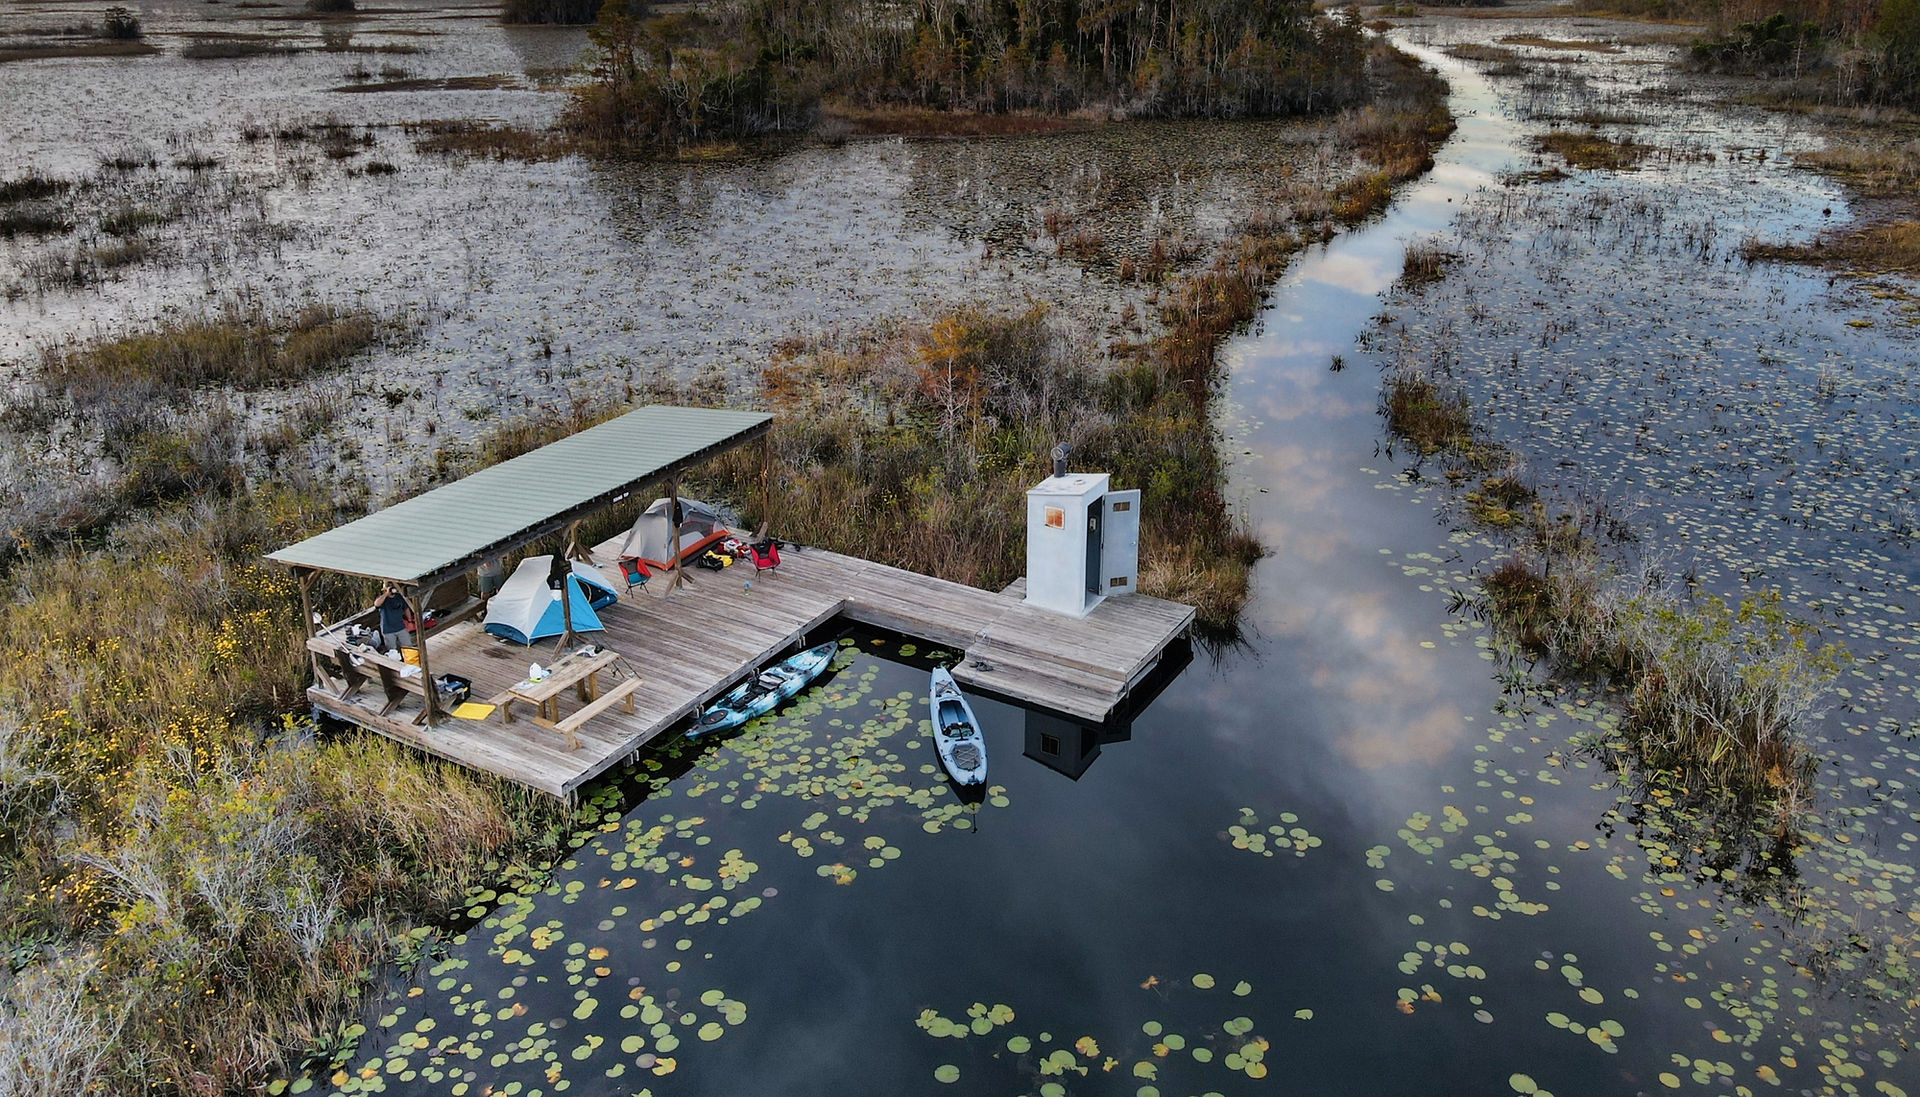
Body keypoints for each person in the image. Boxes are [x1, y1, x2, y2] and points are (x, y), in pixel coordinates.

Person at [376, 583, 410, 655]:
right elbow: (376, 604)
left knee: (408, 647)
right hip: (388, 630)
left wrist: (410, 621)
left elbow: (406, 608)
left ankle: (410, 662)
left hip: (400, 627)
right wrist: (386, 594)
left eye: (392, 586)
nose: (391, 588)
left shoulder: (399, 597)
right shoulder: (382, 599)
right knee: (392, 651)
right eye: (388, 586)